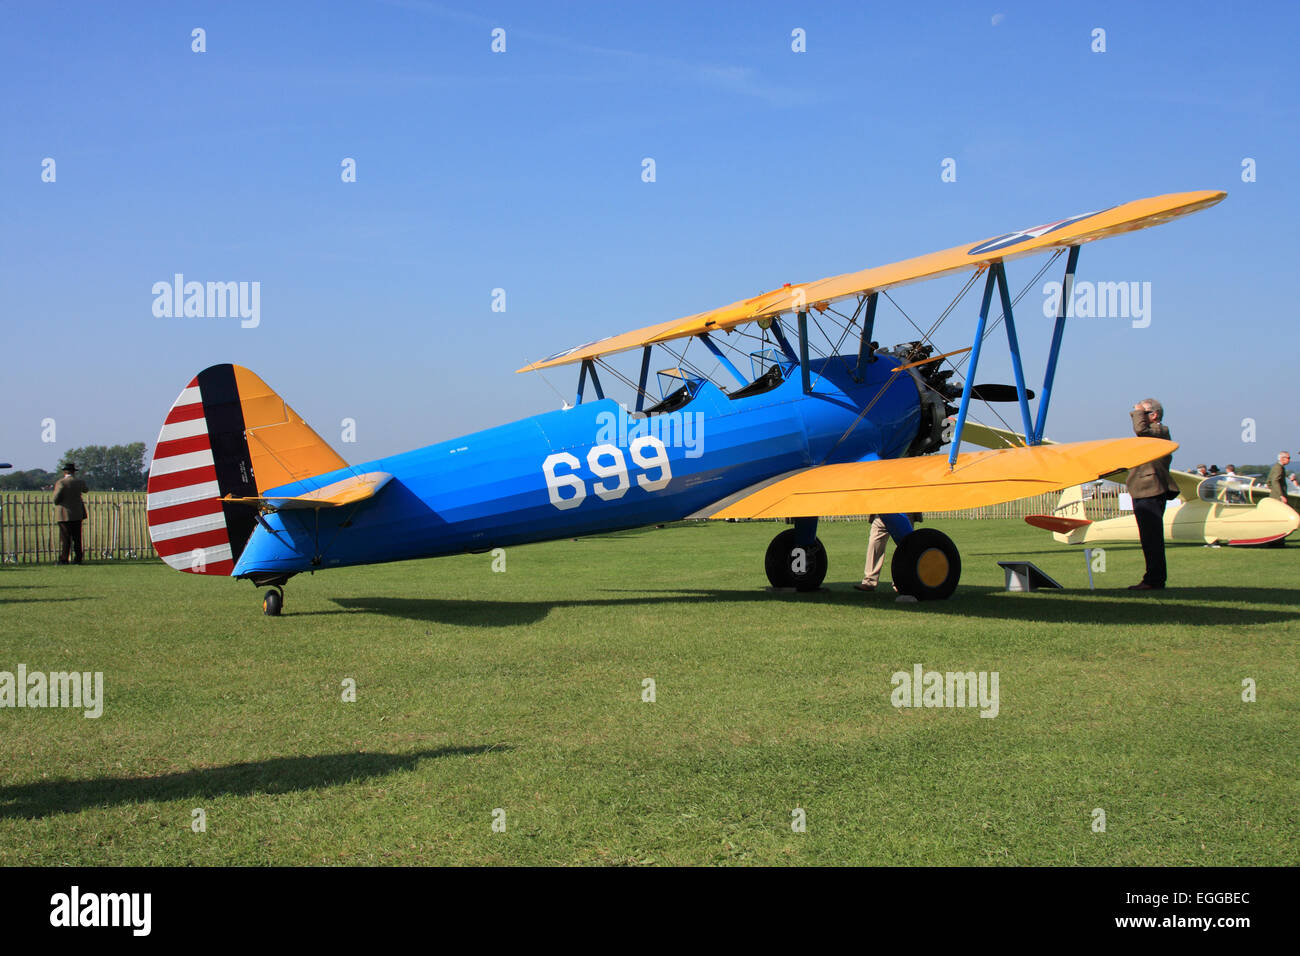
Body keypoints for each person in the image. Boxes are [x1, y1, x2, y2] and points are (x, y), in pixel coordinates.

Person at [1125, 400, 1176, 590]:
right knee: (1148, 539)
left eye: (1143, 413)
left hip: (1151, 491)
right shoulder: (1151, 435)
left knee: (1152, 539)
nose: (1138, 415)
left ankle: (1154, 580)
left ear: (1154, 415)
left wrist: (1137, 412)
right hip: (1143, 490)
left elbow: (1141, 430)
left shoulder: (1160, 431)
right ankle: (1153, 578)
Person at [855, 513, 920, 592]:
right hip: (882, 511)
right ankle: (869, 582)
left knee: (903, 548)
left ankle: (899, 583)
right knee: (874, 543)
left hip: (904, 511)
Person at [53, 461, 89, 565]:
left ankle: (64, 559)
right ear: (74, 472)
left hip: (64, 513)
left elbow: (56, 498)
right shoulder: (80, 482)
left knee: (65, 538)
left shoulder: (61, 482)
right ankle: (78, 558)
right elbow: (86, 490)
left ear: (65, 472)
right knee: (77, 538)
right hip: (77, 512)